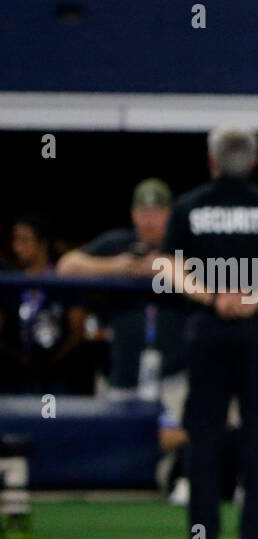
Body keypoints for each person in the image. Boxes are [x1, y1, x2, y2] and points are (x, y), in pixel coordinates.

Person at [160, 124, 258, 539]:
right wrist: (256, 299)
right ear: (255, 160)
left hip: (208, 329)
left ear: (211, 160)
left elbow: (167, 265)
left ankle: (202, 532)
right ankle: (255, 531)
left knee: (203, 431)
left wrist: (211, 298)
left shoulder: (190, 206)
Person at [56, 179, 192, 500]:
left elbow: (215, 274)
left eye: (157, 212)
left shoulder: (183, 243)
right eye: (143, 212)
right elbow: (66, 266)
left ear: (170, 214)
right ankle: (106, 487)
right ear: (133, 214)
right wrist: (115, 267)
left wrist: (166, 269)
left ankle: (179, 479)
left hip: (176, 371)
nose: (149, 220)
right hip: (125, 369)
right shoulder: (119, 243)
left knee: (186, 424)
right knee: (115, 436)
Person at [0, 215, 89, 395]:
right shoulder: (10, 283)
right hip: (16, 376)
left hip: (58, 377)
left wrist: (52, 361)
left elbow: (77, 331)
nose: (17, 247)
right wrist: (19, 358)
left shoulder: (64, 282)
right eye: (15, 240)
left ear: (42, 244)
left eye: (24, 240)